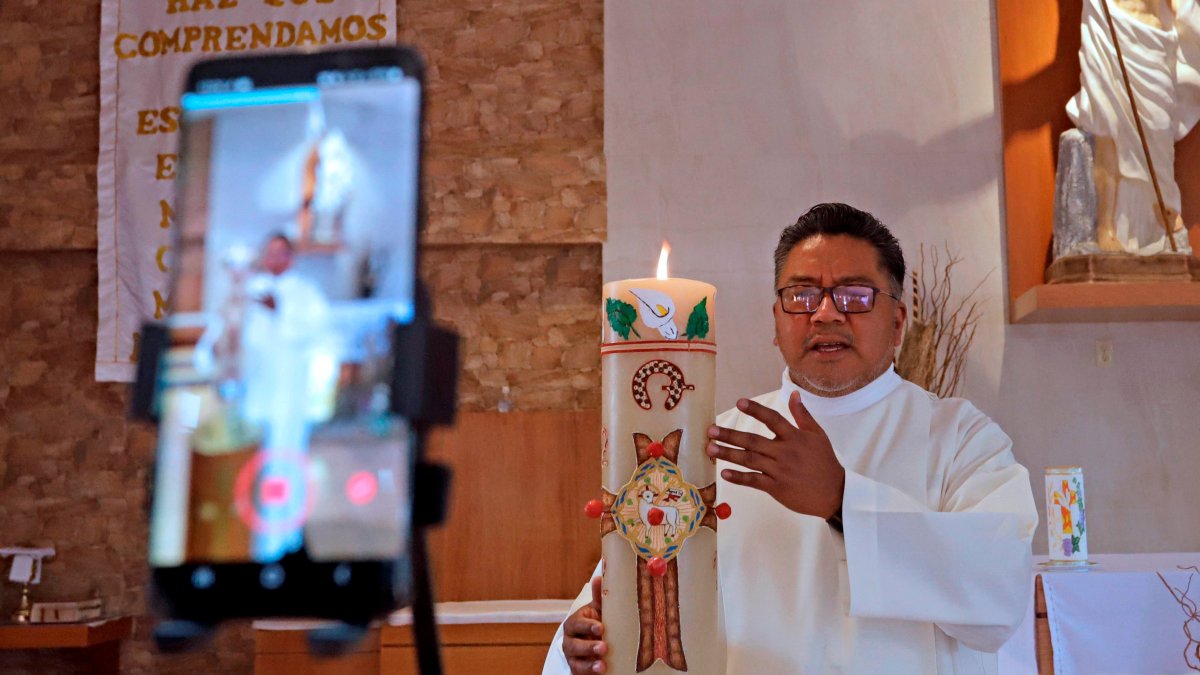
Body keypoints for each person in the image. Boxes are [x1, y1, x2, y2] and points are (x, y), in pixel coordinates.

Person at [545, 203, 1038, 674]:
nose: (825, 314)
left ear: (898, 324)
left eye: (855, 295)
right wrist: (585, 645)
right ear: (776, 323)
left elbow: (999, 588)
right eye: (801, 295)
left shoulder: (957, 438)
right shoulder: (712, 447)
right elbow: (623, 591)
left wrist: (842, 500)